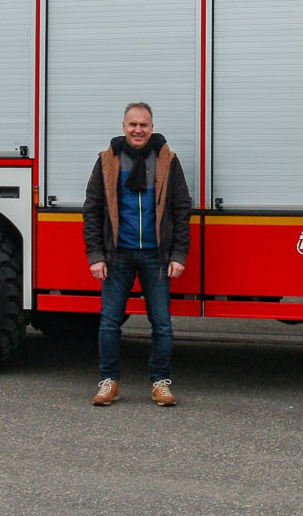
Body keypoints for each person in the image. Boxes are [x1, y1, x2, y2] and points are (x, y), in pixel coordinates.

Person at [82, 102, 192, 407]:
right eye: (132, 124)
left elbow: (181, 208)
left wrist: (179, 253)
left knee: (162, 324)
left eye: (143, 124)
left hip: (156, 257)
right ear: (123, 127)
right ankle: (109, 381)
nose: (138, 130)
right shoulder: (107, 161)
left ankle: (160, 383)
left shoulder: (168, 161)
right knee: (109, 323)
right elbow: (92, 210)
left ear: (152, 127)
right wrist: (96, 255)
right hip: (118, 256)